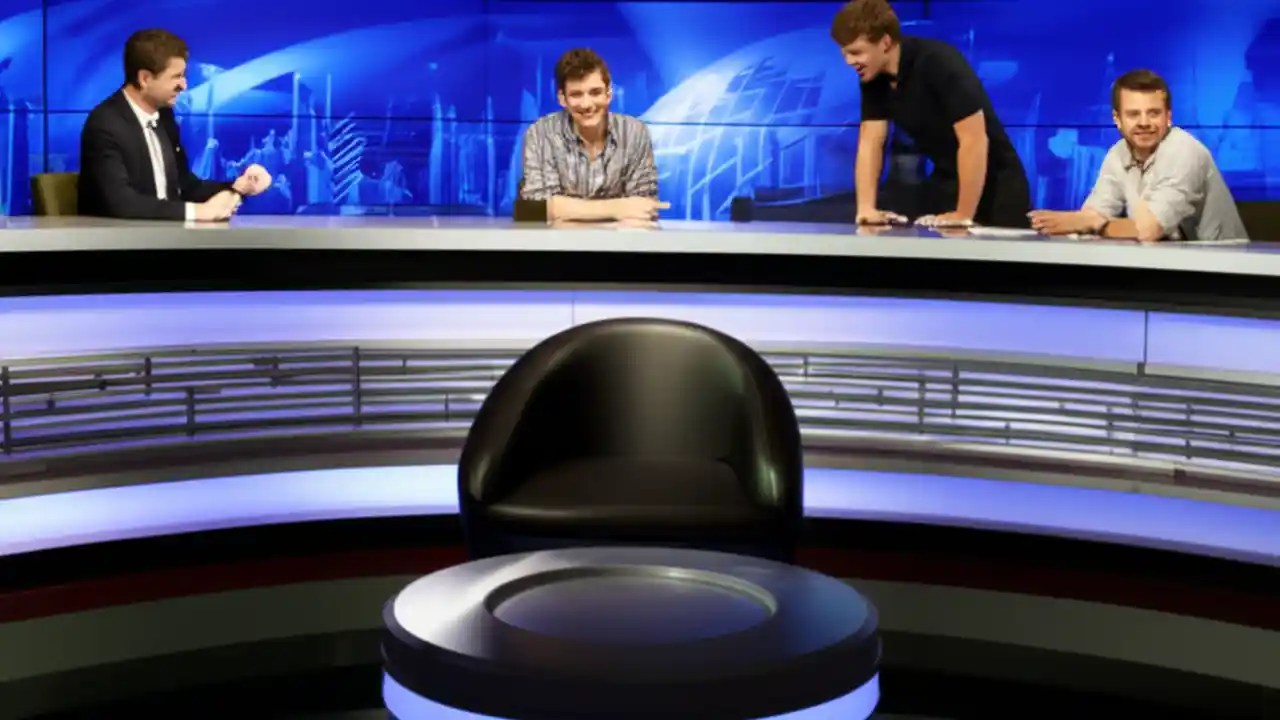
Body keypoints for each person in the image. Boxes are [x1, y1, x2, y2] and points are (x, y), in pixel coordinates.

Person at [831, 0, 1031, 228]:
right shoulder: (873, 78)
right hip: (947, 183)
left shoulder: (938, 61)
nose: (849, 62)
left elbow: (974, 140)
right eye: (845, 54)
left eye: (856, 52)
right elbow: (870, 141)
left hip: (997, 187)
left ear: (885, 42)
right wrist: (866, 208)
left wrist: (962, 215)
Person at [1029, 69, 1248, 242]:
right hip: (1170, 266)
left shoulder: (1184, 151)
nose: (1144, 123)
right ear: (1117, 119)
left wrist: (1094, 225)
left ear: (1168, 117)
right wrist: (1084, 221)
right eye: (1133, 114)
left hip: (1223, 271)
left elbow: (1149, 230)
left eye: (1154, 113)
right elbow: (1094, 212)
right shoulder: (1118, 154)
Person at [79, 29, 272, 222]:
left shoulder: (164, 116)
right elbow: (121, 203)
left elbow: (186, 186)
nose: (184, 85)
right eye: (176, 76)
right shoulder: (105, 124)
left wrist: (239, 186)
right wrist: (199, 212)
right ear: (145, 78)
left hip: (170, 240)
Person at [519, 48, 667, 224]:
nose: (587, 104)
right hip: (558, 247)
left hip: (621, 246)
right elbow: (537, 208)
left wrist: (566, 210)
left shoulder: (635, 132)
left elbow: (644, 208)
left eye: (595, 92)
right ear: (562, 98)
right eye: (576, 94)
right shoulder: (541, 134)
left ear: (608, 93)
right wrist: (618, 208)